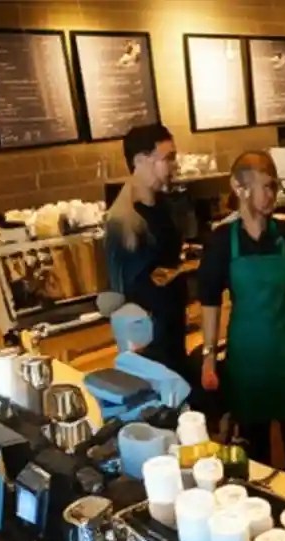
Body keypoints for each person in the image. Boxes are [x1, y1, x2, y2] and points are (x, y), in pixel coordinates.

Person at [197, 151, 285, 478]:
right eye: (265, 186)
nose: (271, 195)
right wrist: (209, 359)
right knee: (256, 455)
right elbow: (210, 300)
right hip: (247, 362)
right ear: (239, 187)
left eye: (274, 186)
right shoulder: (221, 242)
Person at [104, 123, 198, 378]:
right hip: (146, 333)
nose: (174, 165)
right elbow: (127, 286)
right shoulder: (124, 218)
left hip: (171, 321)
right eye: (168, 158)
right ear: (140, 161)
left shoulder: (161, 204)